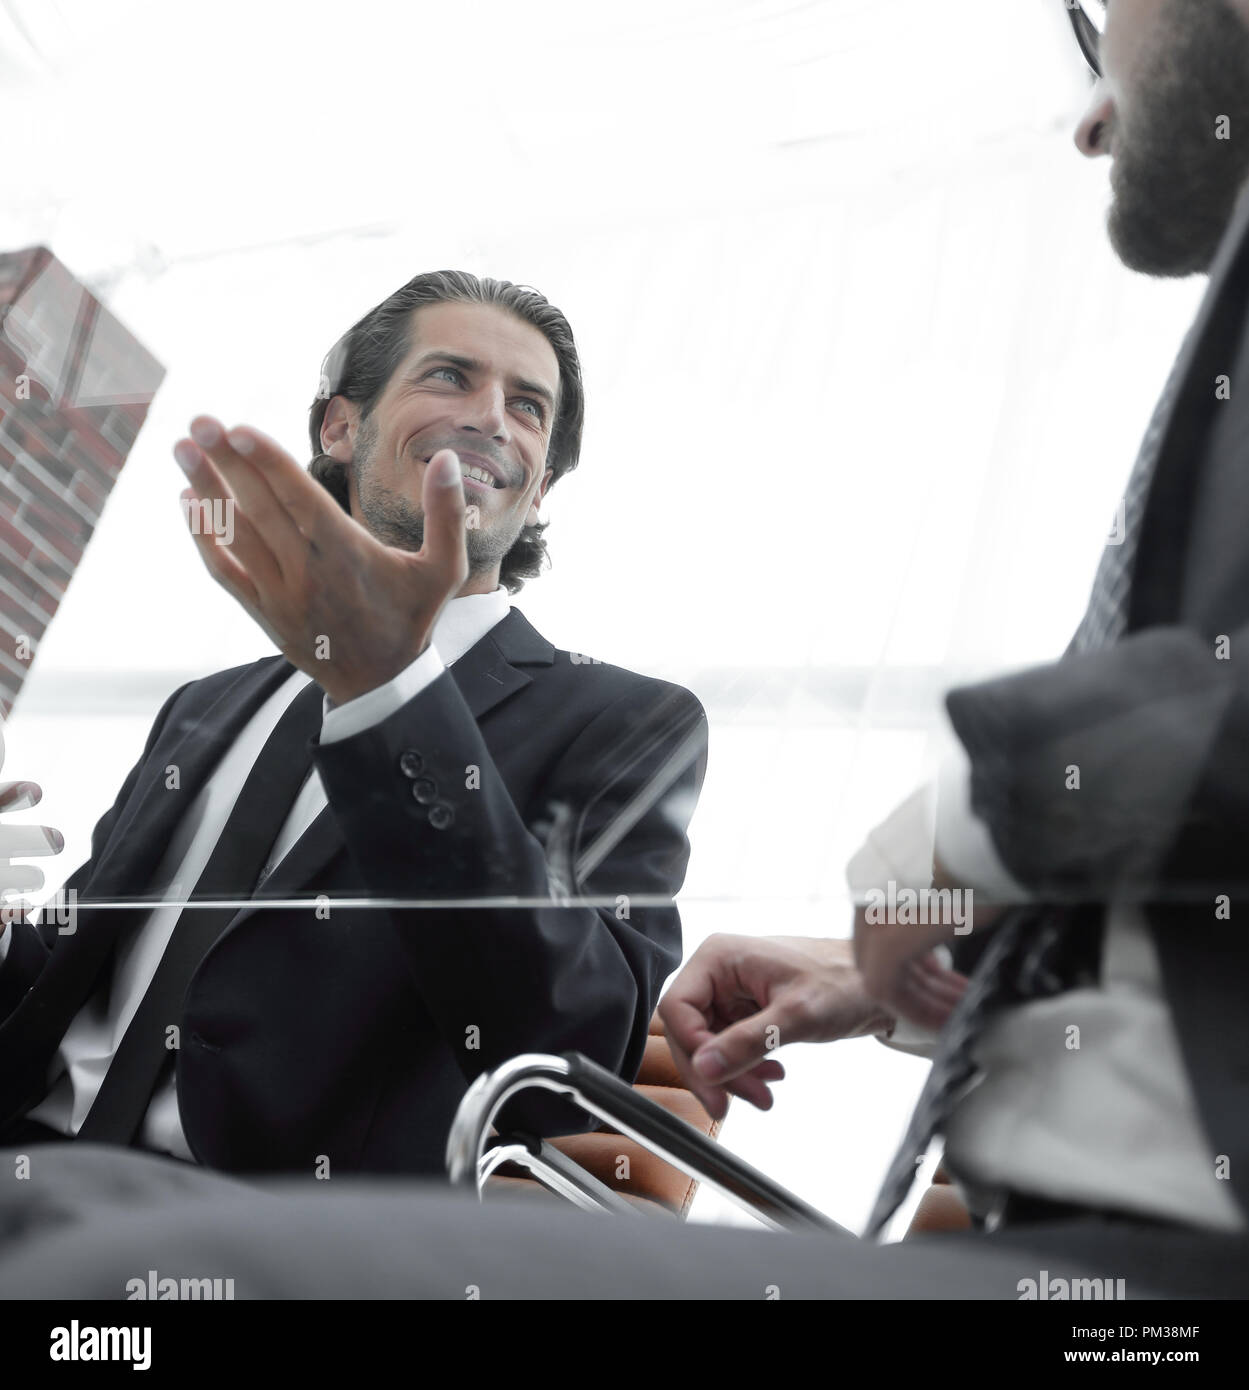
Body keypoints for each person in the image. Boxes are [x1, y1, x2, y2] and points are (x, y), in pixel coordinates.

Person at [0, 271, 707, 1176]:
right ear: (340, 428)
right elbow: (67, 983)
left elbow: (564, 1050)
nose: (491, 416)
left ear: (539, 492)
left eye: (528, 406)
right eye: (450, 377)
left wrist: (391, 694)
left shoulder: (626, 722)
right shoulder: (206, 705)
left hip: (266, 1244)